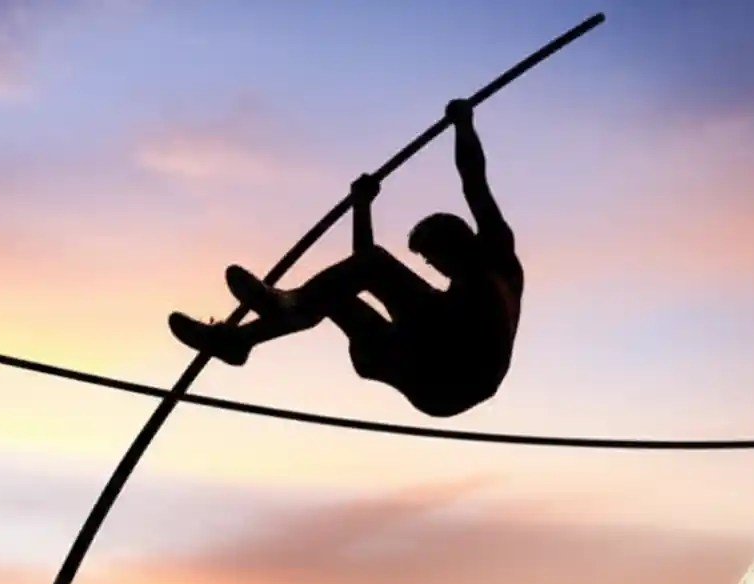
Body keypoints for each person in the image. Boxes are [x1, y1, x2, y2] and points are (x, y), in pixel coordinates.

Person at [169, 99, 523, 417]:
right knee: (339, 297)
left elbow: (474, 181)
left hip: (455, 370)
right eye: (432, 262)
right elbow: (361, 269)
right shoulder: (452, 299)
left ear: (457, 238)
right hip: (423, 365)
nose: (437, 268)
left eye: (435, 257)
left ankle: (287, 305)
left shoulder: (496, 255)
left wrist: (464, 124)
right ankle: (241, 341)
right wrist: (362, 207)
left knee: (375, 267)